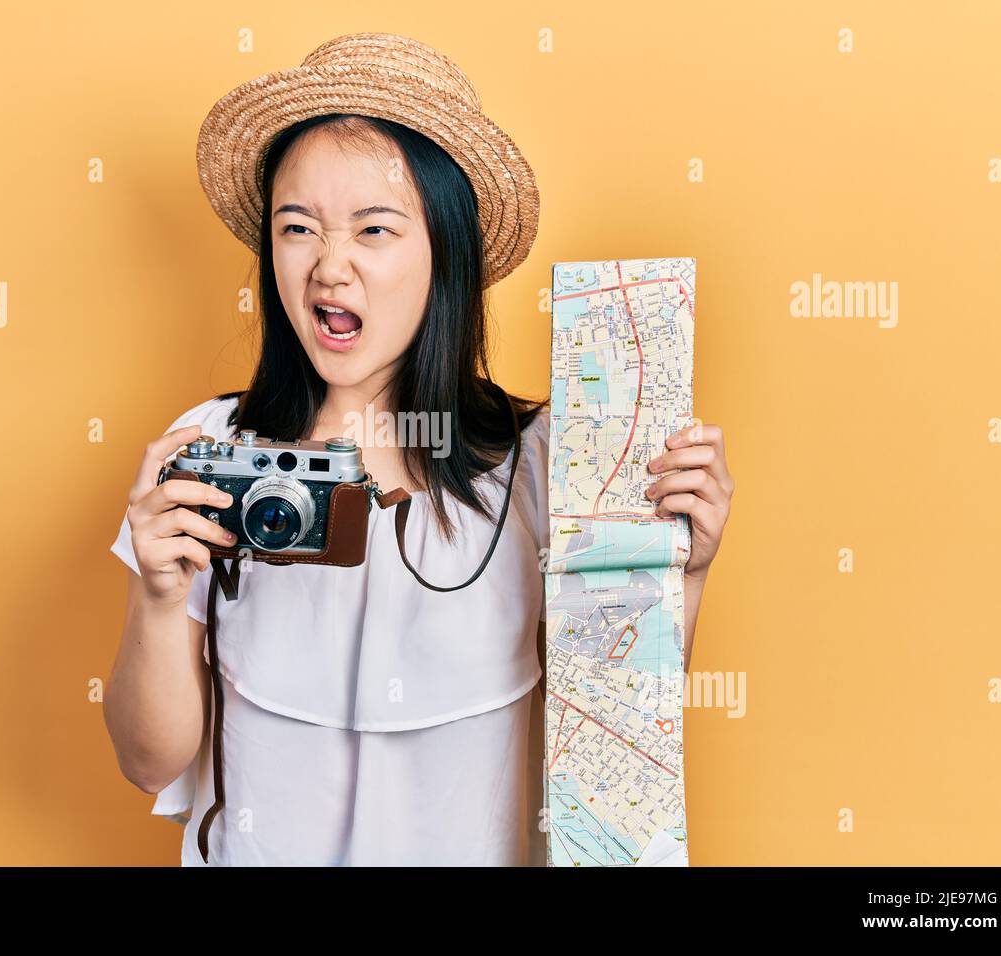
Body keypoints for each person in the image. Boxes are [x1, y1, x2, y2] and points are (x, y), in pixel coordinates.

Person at [102, 32, 734, 866]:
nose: (330, 268)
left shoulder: (545, 463)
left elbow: (609, 729)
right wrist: (156, 595)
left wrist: (674, 573)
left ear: (447, 256)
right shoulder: (217, 449)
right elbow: (149, 761)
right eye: (299, 228)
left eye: (374, 230)